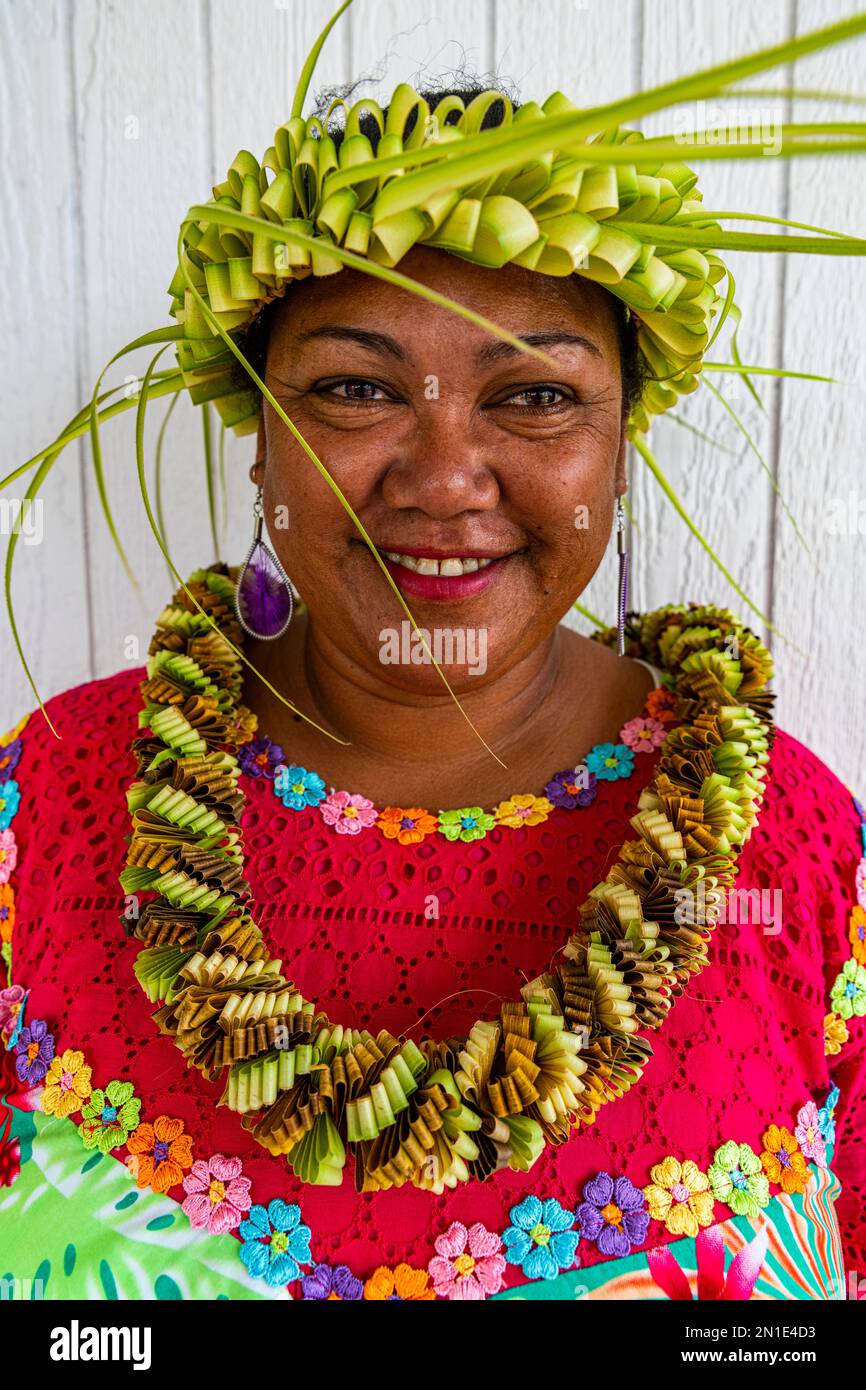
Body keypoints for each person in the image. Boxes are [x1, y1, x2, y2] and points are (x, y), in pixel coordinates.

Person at [1, 2, 865, 1302]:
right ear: (256, 428)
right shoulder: (49, 806)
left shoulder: (784, 845)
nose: (445, 477)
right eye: (356, 387)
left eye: (534, 394)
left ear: (619, 440)